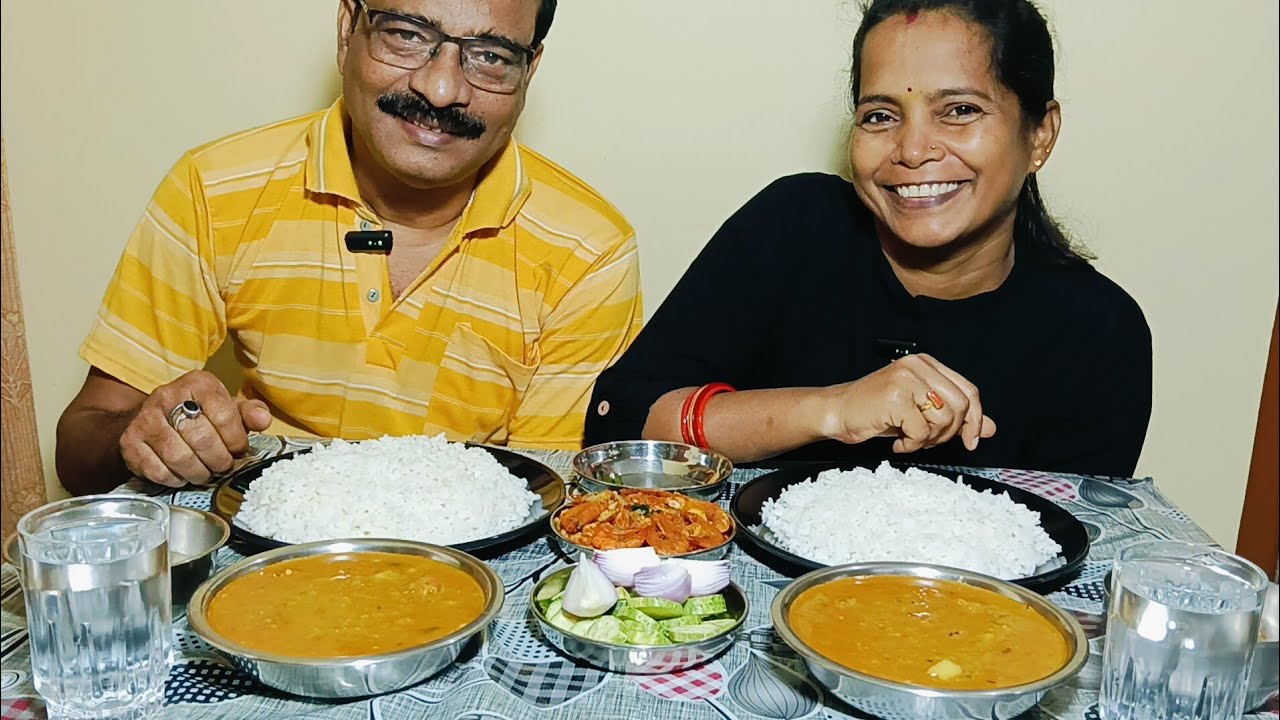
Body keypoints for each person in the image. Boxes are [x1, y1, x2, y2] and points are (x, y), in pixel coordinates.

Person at [56, 0, 643, 495]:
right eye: (408, 35)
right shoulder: (214, 188)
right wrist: (149, 435)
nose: (440, 89)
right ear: (346, 30)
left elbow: (550, 491)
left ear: (529, 70)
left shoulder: (588, 248)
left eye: (490, 56)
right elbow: (81, 445)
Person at [586, 0, 1151, 478]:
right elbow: (619, 425)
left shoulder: (1099, 333)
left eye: (959, 111)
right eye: (881, 116)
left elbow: (1071, 552)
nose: (911, 150)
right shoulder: (793, 228)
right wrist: (833, 409)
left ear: (1039, 135)